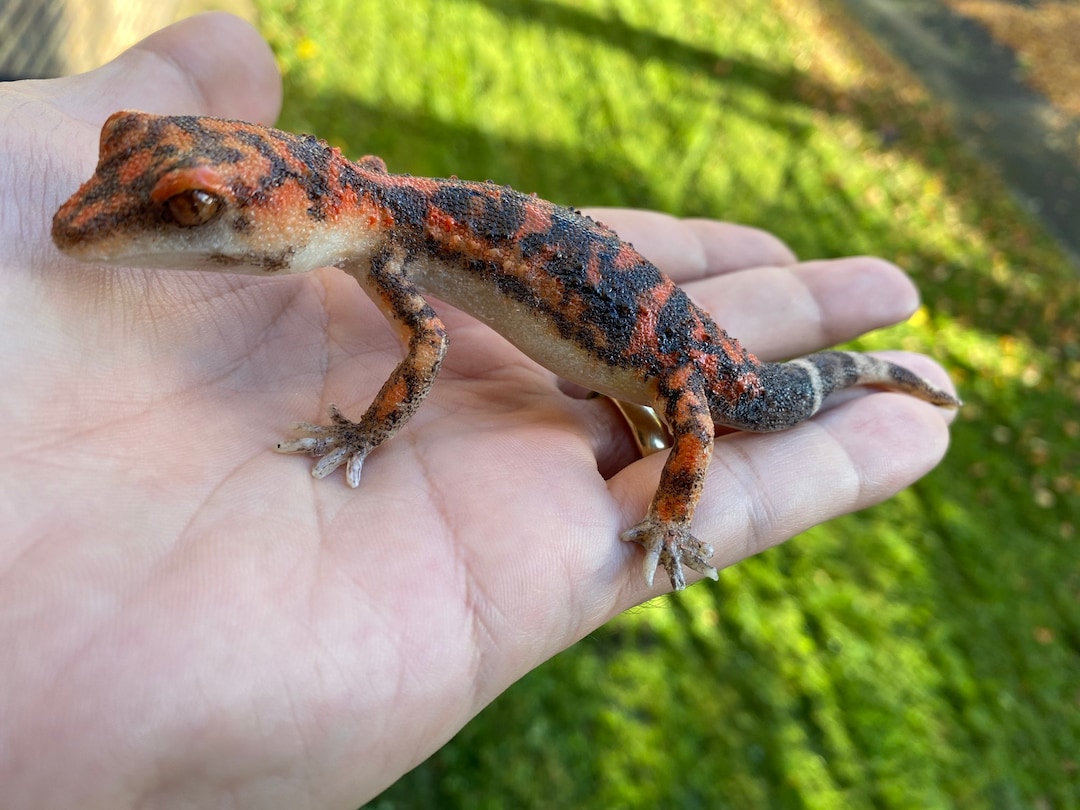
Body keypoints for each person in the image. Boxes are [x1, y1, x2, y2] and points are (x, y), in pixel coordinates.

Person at [0, 12, 956, 808]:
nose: (91, 217)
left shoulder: (385, 245)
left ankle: (864, 377)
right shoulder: (377, 226)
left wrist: (371, 434)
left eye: (188, 208)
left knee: (707, 412)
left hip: (699, 377)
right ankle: (869, 371)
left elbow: (433, 348)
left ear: (305, 211)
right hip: (639, 343)